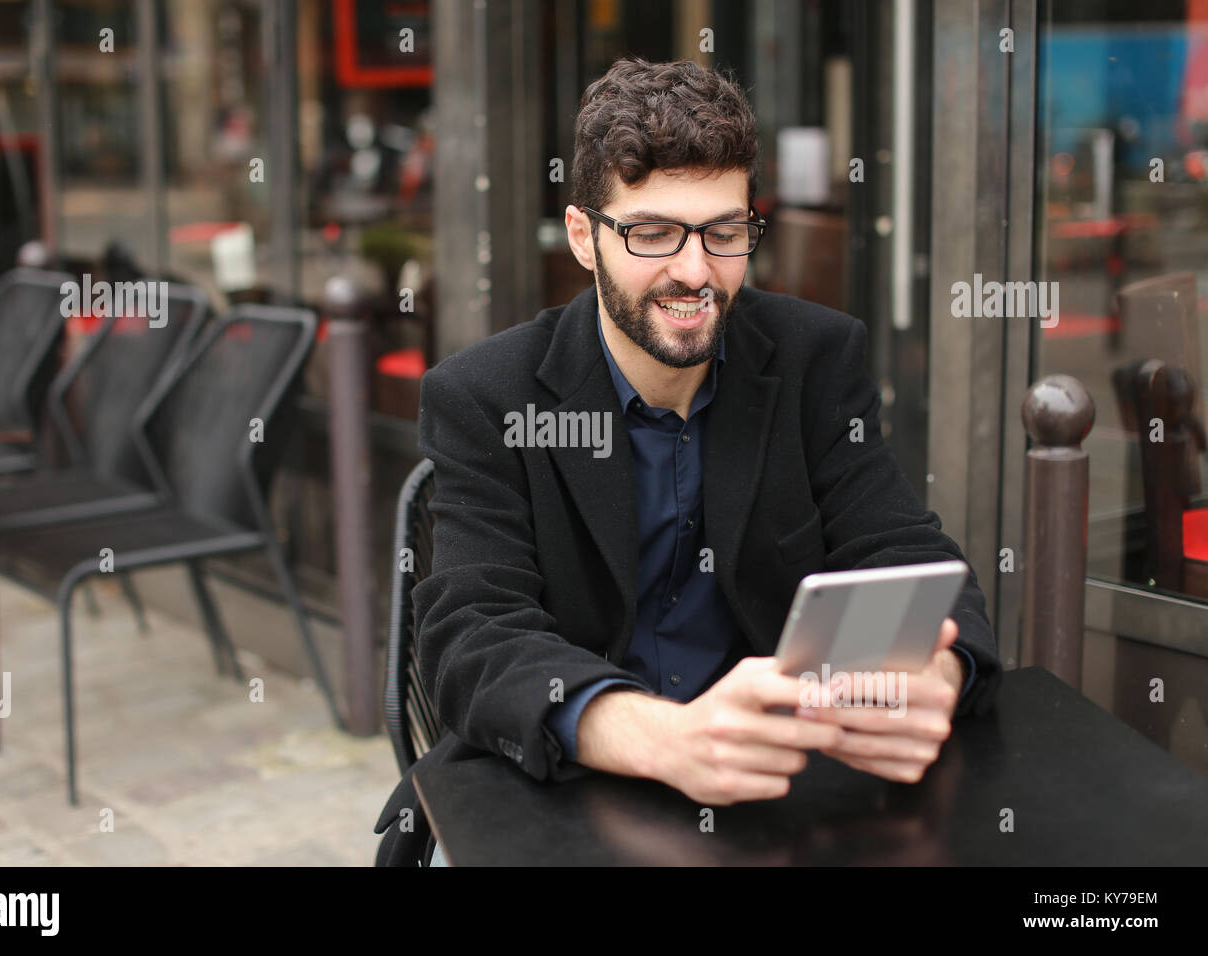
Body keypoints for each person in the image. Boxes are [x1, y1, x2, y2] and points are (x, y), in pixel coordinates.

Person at [375, 57, 1001, 867]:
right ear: (583, 238)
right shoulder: (486, 398)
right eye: (653, 232)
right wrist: (663, 737)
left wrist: (936, 678)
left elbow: (907, 554)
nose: (696, 271)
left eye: (724, 232)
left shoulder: (816, 359)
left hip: (780, 799)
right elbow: (471, 635)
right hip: (568, 793)